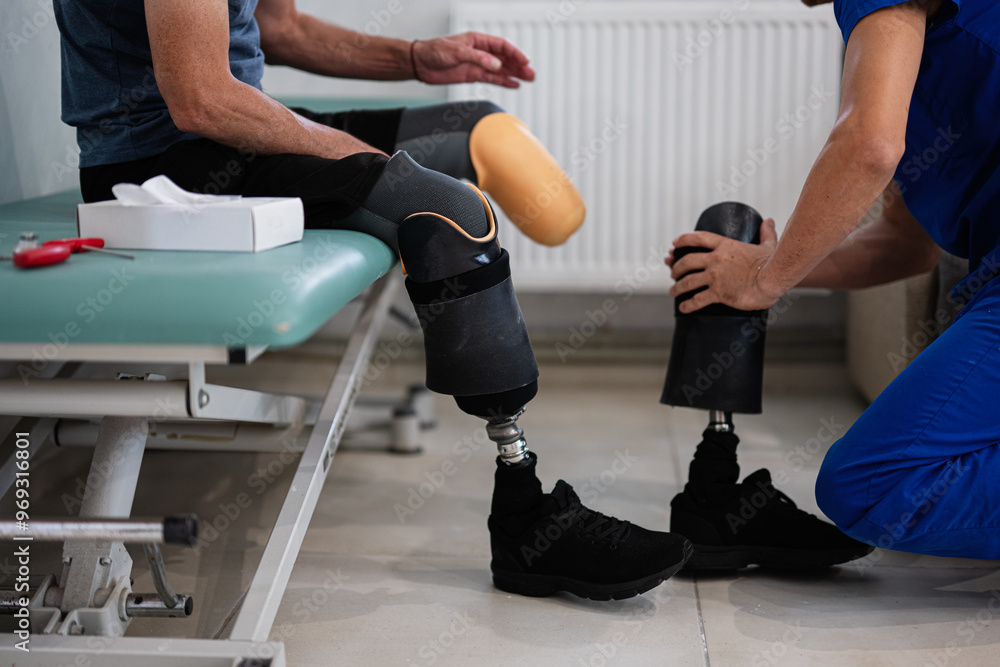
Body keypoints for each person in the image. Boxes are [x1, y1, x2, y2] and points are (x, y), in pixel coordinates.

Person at [53, 0, 693, 600]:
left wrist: (415, 58)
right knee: (448, 209)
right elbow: (200, 100)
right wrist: (365, 160)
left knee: (474, 128)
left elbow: (278, 27)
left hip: (233, 132)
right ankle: (527, 518)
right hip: (164, 167)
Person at [667, 0, 1000, 560]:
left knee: (870, 486)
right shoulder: (906, 49)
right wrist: (764, 267)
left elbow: (868, 147)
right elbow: (904, 244)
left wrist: (764, 279)